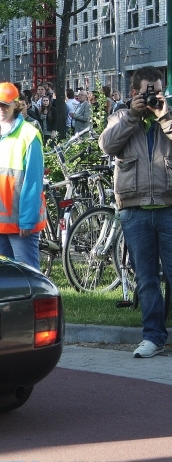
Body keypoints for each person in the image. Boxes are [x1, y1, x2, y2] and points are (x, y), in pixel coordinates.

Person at [99, 66, 172, 359]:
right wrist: (132, 115)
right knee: (146, 277)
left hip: (169, 207)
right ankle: (153, 336)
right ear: (134, 93)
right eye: (148, 92)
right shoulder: (120, 117)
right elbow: (107, 145)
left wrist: (164, 117)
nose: (154, 97)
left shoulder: (167, 117)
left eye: (158, 91)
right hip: (134, 209)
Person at [0, 82, 46, 270]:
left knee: (27, 274)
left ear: (16, 104)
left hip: (18, 219)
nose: (1, 108)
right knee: (4, 276)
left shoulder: (29, 135)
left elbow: (33, 181)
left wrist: (28, 220)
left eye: (6, 104)